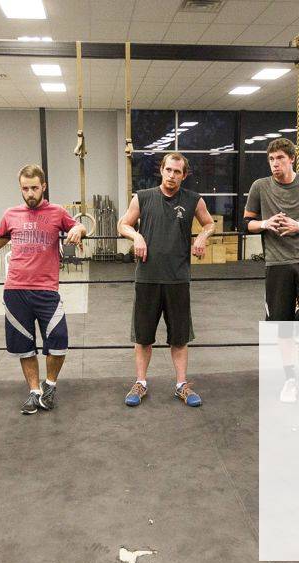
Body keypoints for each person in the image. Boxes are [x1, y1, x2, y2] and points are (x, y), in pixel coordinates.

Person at [0, 164, 86, 414]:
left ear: (43, 187)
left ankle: (49, 386)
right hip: (15, 289)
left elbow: (78, 226)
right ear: (20, 188)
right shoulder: (11, 214)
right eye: (25, 188)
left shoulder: (57, 212)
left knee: (59, 339)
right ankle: (34, 391)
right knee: (24, 345)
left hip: (46, 290)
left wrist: (76, 229)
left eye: (34, 188)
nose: (30, 193)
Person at [117, 152, 215, 407]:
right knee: (143, 336)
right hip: (147, 278)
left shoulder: (194, 200)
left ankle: (181, 385)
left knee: (179, 337)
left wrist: (203, 236)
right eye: (168, 170)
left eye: (177, 172)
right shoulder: (143, 197)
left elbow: (209, 224)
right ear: (161, 170)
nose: (172, 175)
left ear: (184, 175)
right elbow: (123, 224)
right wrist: (136, 236)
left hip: (178, 278)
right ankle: (140, 383)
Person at [243, 138, 299, 403]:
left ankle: (295, 318)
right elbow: (246, 223)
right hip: (277, 264)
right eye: (271, 159)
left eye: (280, 158)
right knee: (280, 329)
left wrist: (298, 226)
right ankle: (290, 379)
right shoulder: (260, 186)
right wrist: (265, 223)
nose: (275, 164)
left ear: (292, 158)